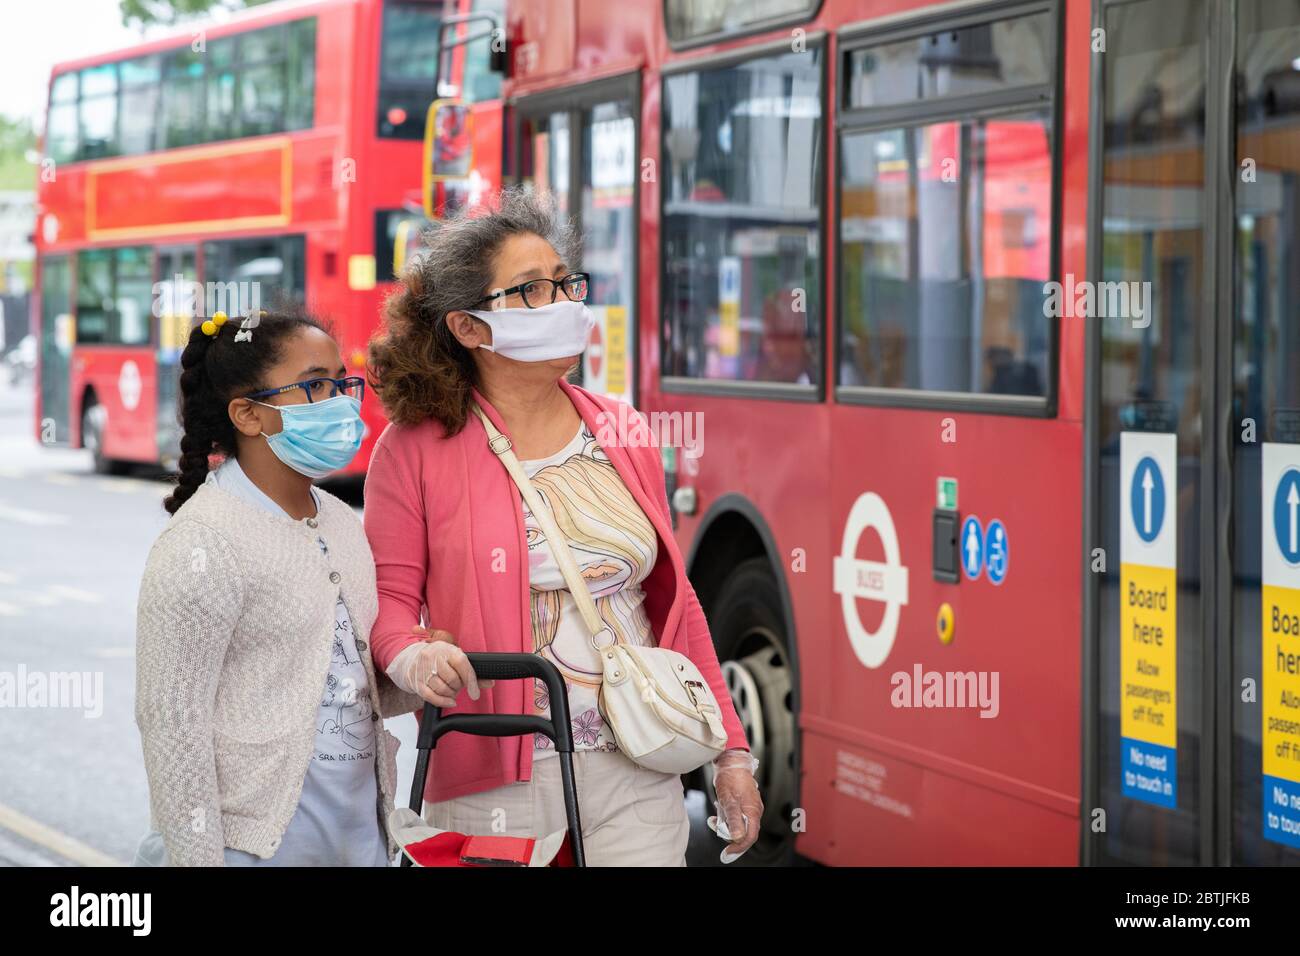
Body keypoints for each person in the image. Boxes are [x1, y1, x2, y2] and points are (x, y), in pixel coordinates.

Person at [365, 187, 763, 866]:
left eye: (564, 282)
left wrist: (731, 752)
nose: (561, 301)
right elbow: (389, 606)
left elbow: (676, 604)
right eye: (529, 290)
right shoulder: (414, 450)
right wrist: (416, 658)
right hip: (497, 768)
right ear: (468, 328)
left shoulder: (622, 429)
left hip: (641, 757)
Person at [133, 308, 420, 866]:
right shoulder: (203, 543)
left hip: (360, 842)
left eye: (342, 382)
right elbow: (172, 728)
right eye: (315, 385)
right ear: (248, 414)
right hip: (253, 851)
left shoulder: (339, 522)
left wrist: (421, 669)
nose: (340, 401)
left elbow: (331, 681)